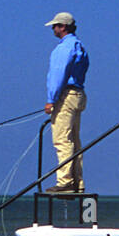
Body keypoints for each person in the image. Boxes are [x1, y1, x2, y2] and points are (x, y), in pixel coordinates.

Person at [43, 12, 89, 193]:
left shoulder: (64, 48)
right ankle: (78, 181)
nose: (53, 29)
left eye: (55, 26)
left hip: (66, 95)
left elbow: (58, 74)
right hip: (78, 94)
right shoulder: (80, 46)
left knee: (62, 139)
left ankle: (65, 182)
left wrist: (51, 100)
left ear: (62, 27)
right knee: (74, 140)